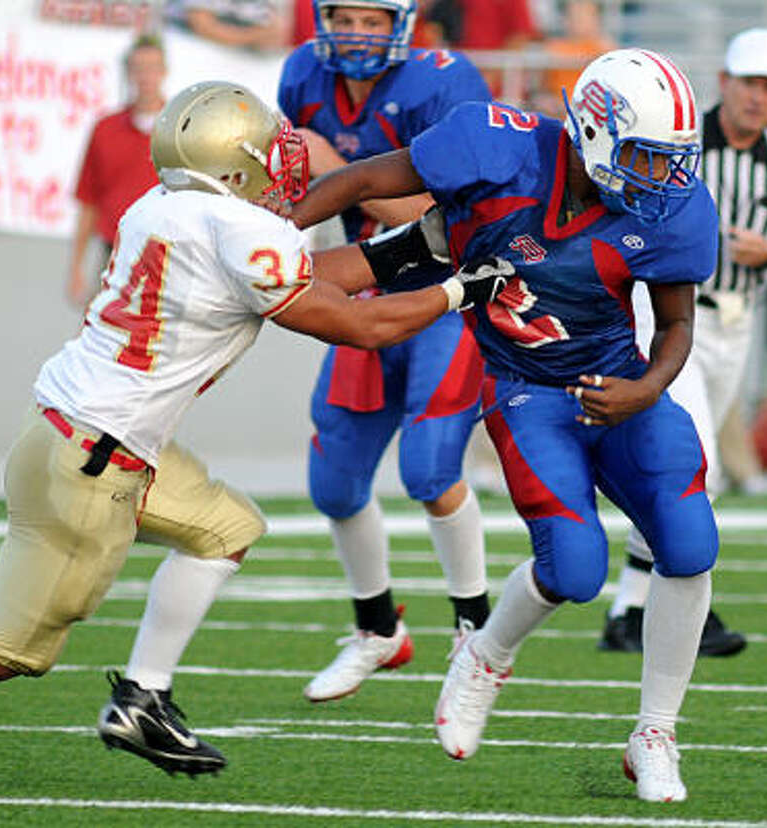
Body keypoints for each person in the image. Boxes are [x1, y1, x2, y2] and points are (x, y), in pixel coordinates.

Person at [0, 80, 507, 792]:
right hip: (95, 460)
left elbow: (306, 275)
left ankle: (143, 699)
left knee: (227, 528)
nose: (283, 163)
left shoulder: (166, 205)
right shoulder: (239, 229)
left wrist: (419, 246)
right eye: (265, 151)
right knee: (7, 651)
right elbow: (359, 324)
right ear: (229, 165)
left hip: (79, 434)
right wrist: (458, 290)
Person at [290, 48, 721, 802]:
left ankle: (656, 730)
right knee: (575, 571)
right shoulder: (494, 149)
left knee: (690, 543)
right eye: (649, 159)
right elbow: (364, 185)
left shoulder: (672, 208)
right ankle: (485, 654)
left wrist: (647, 387)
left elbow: (678, 320)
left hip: (621, 385)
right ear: (594, 132)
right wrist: (264, 235)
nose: (666, 179)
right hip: (529, 390)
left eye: (673, 161)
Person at [278, 0, 494, 704]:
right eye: (347, 17)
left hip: (444, 298)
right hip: (362, 295)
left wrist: (339, 166)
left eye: (374, 21)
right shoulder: (303, 76)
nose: (358, 33)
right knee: (334, 483)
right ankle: (377, 631)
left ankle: (475, 633)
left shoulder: (442, 81)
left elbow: (455, 222)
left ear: (400, 23)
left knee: (431, 471)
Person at [598, 27, 767, 657]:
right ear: (723, 81)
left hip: (736, 322)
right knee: (696, 462)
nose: (757, 96)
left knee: (688, 468)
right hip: (670, 315)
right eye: (748, 82)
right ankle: (680, 595)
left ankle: (627, 611)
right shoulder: (679, 142)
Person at [67, 33, 167, 309]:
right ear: (128, 73)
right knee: (97, 335)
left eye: (152, 68)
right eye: (139, 69)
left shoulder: (178, 131)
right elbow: (88, 200)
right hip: (113, 253)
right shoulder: (106, 129)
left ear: (164, 72)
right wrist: (76, 265)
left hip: (166, 256)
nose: (146, 77)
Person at [177, 0, 290, 51]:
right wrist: (254, 36)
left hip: (246, 66)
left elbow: (276, 36)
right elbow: (202, 26)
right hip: (195, 52)